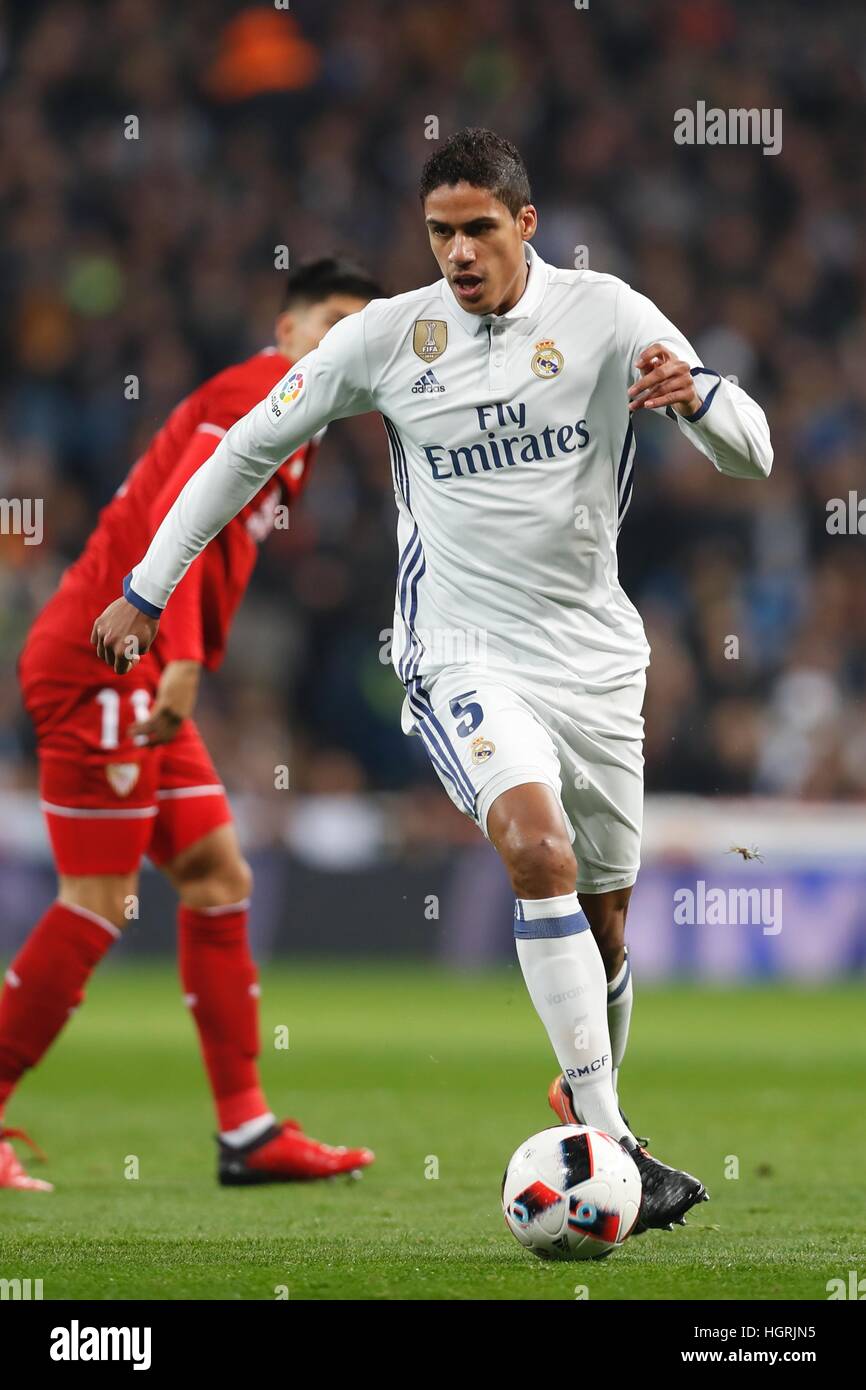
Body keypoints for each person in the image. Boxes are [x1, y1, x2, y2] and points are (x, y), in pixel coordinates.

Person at [93, 129, 773, 1232]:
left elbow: (754, 451)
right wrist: (146, 588)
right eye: (439, 233)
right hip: (459, 652)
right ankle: (612, 1142)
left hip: (595, 661)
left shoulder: (604, 312)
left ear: (525, 225)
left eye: (477, 230)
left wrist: (693, 397)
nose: (457, 253)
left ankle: (583, 1088)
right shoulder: (387, 337)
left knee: (603, 923)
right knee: (533, 847)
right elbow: (243, 449)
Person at [3, 258, 381, 1192]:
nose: (344, 345)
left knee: (218, 872)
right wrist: (179, 659)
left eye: (360, 333)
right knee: (98, 897)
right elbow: (189, 509)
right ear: (286, 327)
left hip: (140, 664)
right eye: (330, 321)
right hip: (106, 659)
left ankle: (246, 1133)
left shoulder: (299, 422)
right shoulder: (259, 391)